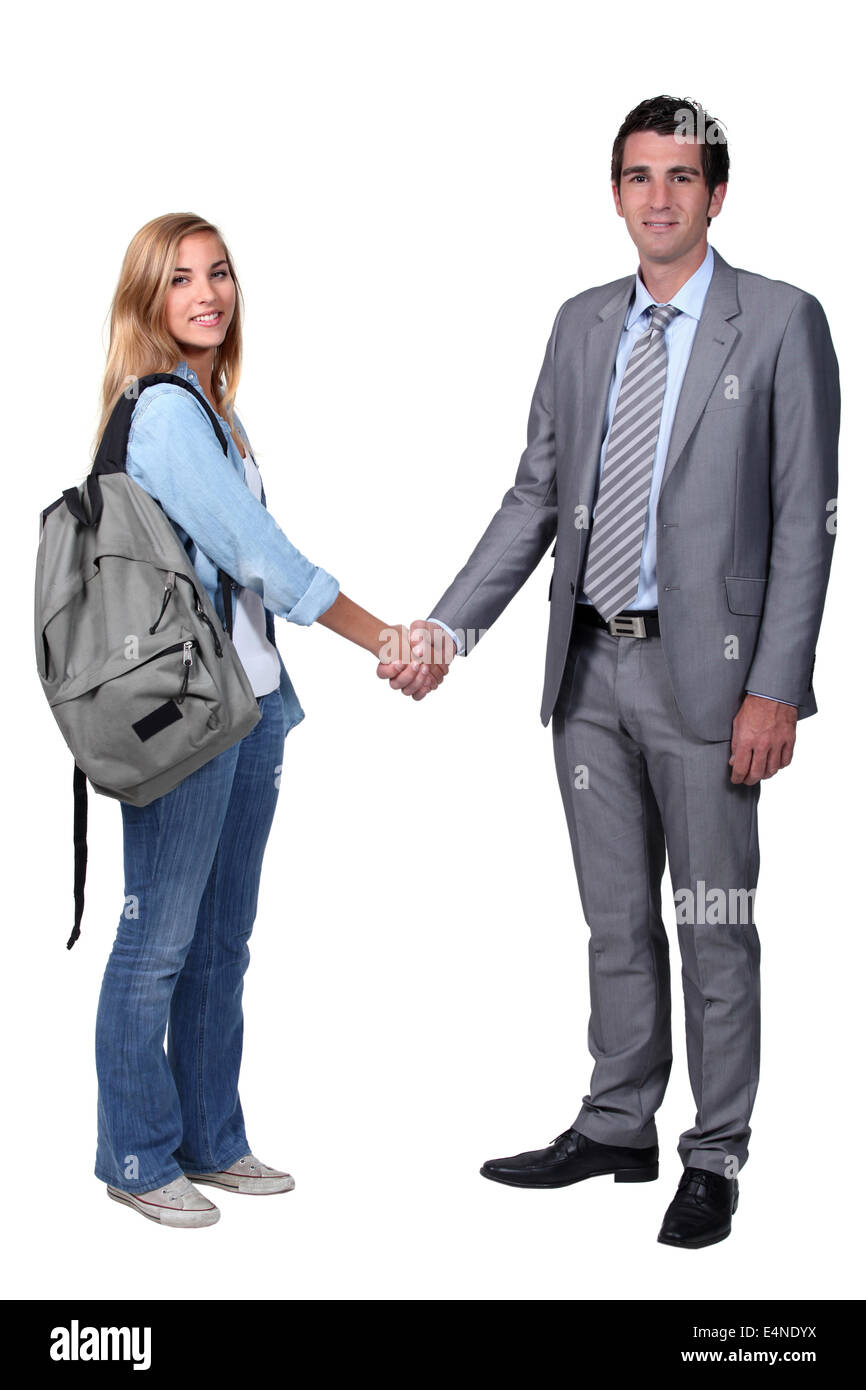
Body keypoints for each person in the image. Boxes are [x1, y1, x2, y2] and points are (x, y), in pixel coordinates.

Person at [380, 95, 840, 1248]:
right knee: (612, 920)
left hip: (715, 683)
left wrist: (776, 686)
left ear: (716, 194)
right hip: (587, 673)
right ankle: (615, 1121)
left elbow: (805, 523)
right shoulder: (582, 324)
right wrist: (448, 628)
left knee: (714, 921)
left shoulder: (780, 323)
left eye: (680, 177)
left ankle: (715, 1151)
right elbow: (533, 495)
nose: (658, 196)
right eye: (637, 176)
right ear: (615, 193)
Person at [92, 212, 445, 1228]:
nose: (206, 294)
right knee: (155, 940)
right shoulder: (161, 412)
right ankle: (133, 1151)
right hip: (179, 715)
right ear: (146, 300)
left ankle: (210, 1138)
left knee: (220, 941)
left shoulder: (215, 409)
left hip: (245, 705)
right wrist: (384, 633)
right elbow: (259, 556)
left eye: (220, 274)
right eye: (180, 280)